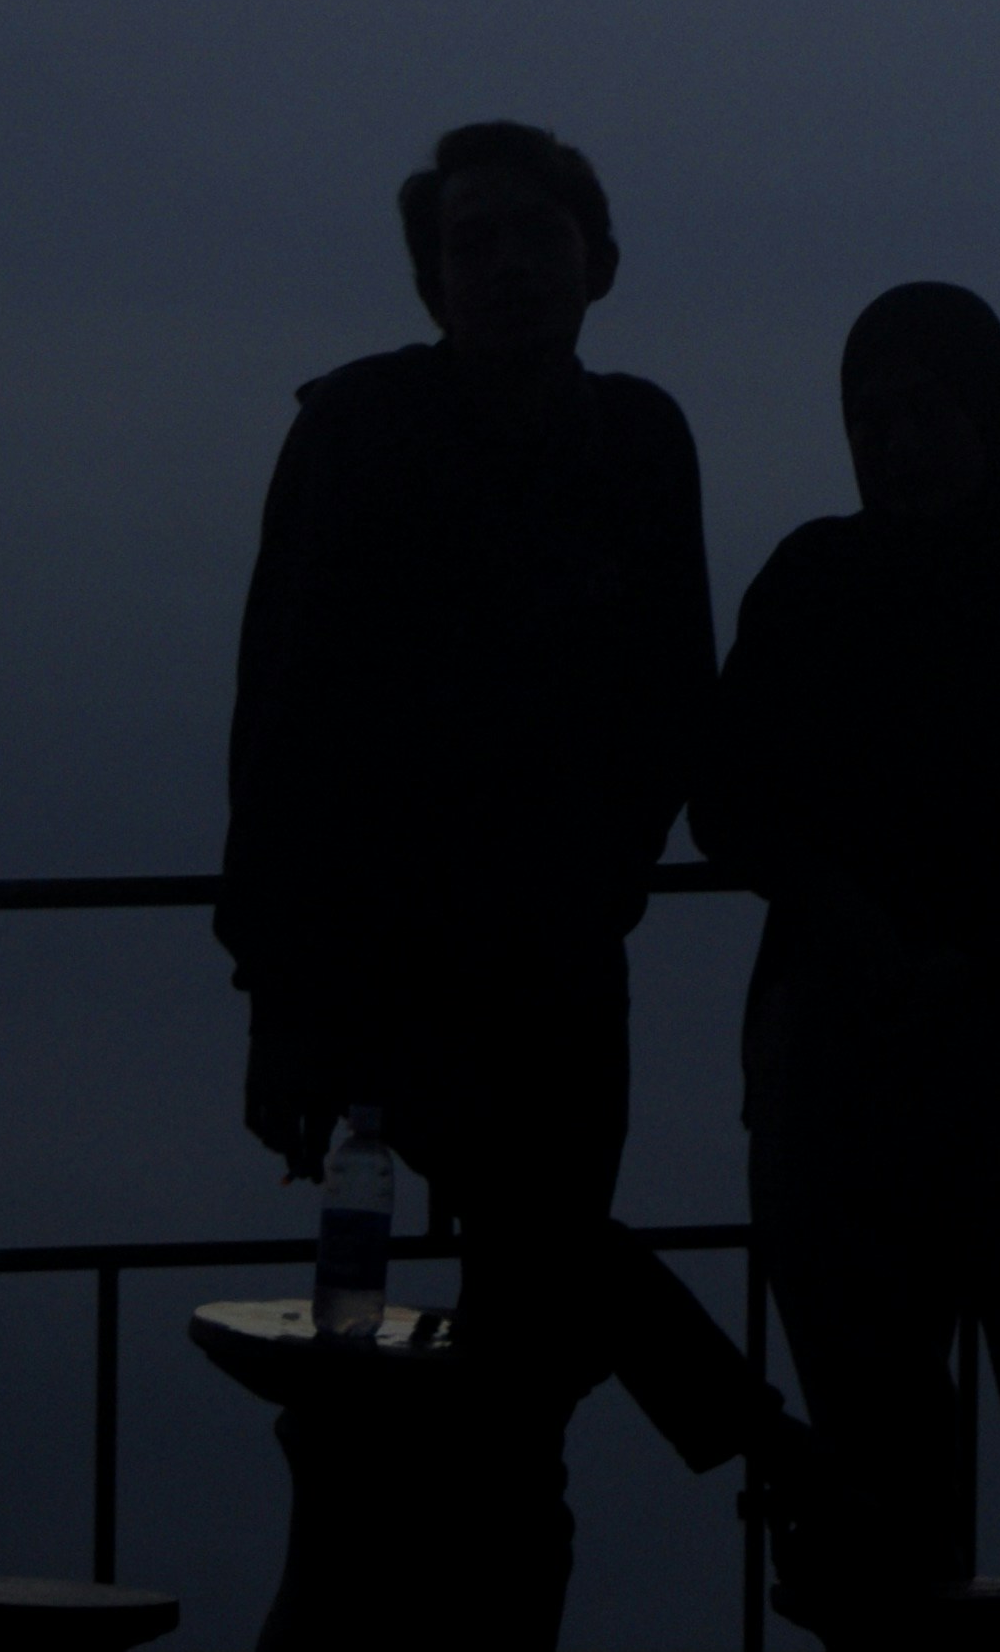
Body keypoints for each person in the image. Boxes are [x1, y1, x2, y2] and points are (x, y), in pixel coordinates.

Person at [217, 118, 758, 1650]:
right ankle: (748, 1433)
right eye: (476, 241)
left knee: (521, 1380)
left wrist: (594, 874)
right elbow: (284, 710)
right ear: (431, 278)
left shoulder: (639, 442)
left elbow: (672, 693)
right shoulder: (357, 433)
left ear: (599, 260)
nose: (509, 262)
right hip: (378, 979)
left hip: (551, 972)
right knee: (358, 1386)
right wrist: (281, 987)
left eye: (534, 232)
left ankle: (679, 1477)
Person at [695, 281, 1000, 1652]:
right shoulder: (824, 585)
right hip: (888, 1066)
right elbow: (727, 794)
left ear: (991, 418)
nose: (894, 442)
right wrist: (896, 938)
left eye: (921, 409)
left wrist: (893, 941)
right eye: (870, 416)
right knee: (893, 1448)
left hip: (995, 1076)